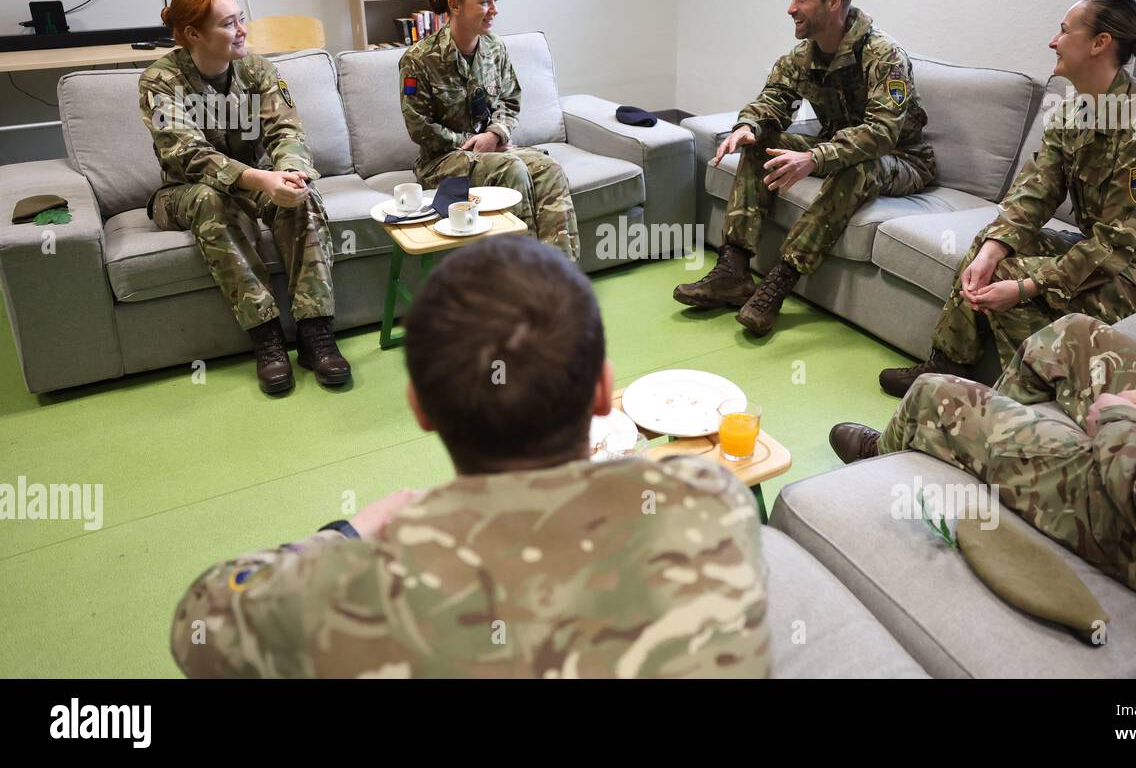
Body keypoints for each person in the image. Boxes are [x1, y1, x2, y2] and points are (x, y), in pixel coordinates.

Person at [169, 236, 770, 678]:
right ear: (602, 392)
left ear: (419, 407)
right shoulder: (716, 503)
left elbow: (199, 621)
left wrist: (349, 531)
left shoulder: (345, 591)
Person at [829, 151, 1136, 624]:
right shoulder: (1079, 115)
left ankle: (895, 459)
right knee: (1069, 334)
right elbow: (1034, 194)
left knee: (937, 396)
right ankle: (988, 458)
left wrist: (1121, 417)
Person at [880, 0, 1136, 397]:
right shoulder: (1077, 111)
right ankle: (947, 366)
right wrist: (992, 248)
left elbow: (1112, 245)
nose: (1053, 42)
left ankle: (1020, 399)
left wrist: (1024, 287)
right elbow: (1034, 195)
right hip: (1104, 250)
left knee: (1009, 279)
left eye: (1063, 31)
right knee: (990, 250)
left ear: (1099, 43)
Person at [675, 0, 935, 336]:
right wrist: (748, 126)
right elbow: (774, 99)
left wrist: (814, 158)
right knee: (761, 144)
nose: (790, 9)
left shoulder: (884, 56)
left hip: (901, 160)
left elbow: (881, 134)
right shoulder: (802, 57)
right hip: (835, 148)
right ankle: (732, 270)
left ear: (833, 3)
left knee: (858, 167)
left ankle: (779, 284)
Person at [139, 0, 349, 395]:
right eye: (228, 23)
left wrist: (289, 174)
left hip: (256, 179)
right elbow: (189, 156)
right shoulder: (159, 81)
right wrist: (262, 179)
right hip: (185, 191)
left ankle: (315, 333)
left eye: (241, 19)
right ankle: (266, 338)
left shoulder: (257, 71)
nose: (242, 30)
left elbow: (286, 132)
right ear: (194, 34)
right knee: (211, 200)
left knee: (301, 197)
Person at [398, 0, 579, 261]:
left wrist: (496, 133)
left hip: (494, 150)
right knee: (512, 170)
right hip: (442, 162)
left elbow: (510, 100)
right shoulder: (418, 60)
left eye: (496, 0)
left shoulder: (496, 48)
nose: (494, 9)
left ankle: (560, 275)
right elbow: (419, 126)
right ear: (454, 6)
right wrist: (475, 142)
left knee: (549, 169)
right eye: (484, 1)